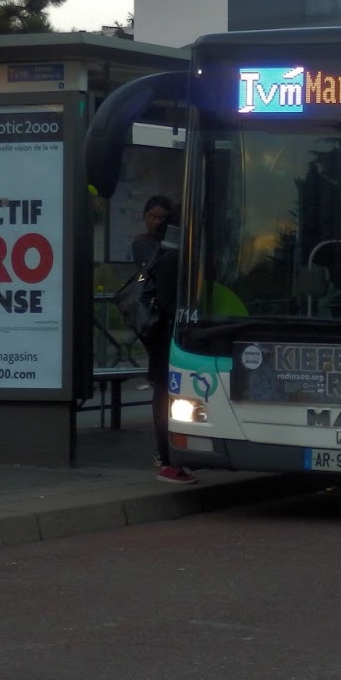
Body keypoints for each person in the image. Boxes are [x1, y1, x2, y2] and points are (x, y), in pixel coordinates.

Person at [135, 195, 196, 485]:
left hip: (163, 336)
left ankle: (170, 459)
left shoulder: (166, 251)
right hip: (165, 338)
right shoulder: (168, 255)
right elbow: (169, 301)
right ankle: (167, 461)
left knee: (166, 396)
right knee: (164, 397)